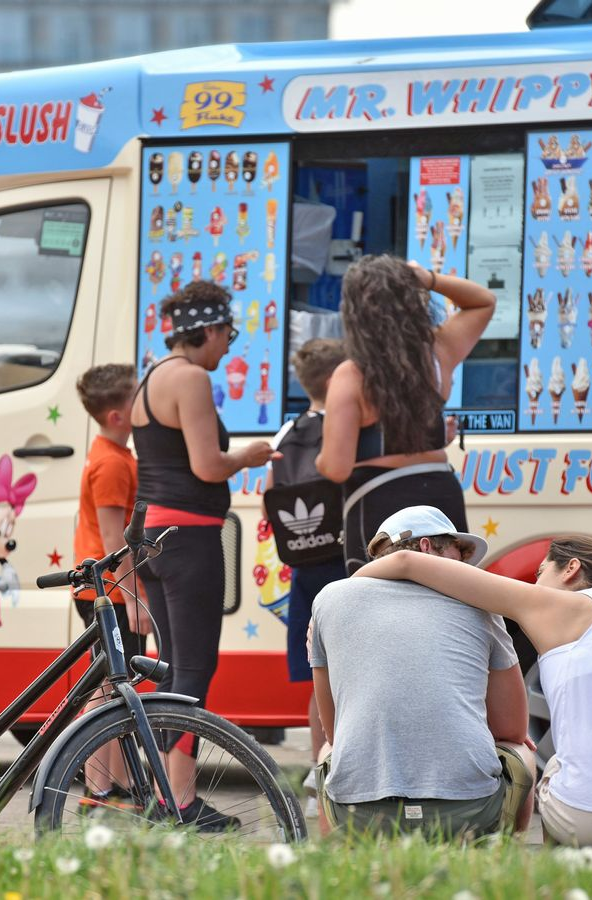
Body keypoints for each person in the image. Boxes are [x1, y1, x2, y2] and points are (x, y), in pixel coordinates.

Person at [356, 534, 592, 849]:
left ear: (571, 569)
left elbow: (406, 563)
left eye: (540, 572)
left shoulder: (543, 604)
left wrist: (347, 591)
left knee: (552, 765)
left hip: (586, 824)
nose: (535, 583)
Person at [131, 279, 278, 828]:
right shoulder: (191, 379)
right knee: (194, 669)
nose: (229, 348)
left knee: (171, 668)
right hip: (189, 537)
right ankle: (181, 801)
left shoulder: (152, 376)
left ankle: (162, 793)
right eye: (228, 335)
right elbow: (206, 466)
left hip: (151, 536)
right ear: (209, 330)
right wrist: (249, 455)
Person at [309, 505, 535, 838]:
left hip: (359, 815)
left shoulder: (328, 599)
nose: (464, 570)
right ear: (428, 547)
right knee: (522, 753)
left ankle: (343, 859)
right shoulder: (480, 604)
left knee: (328, 752)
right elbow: (513, 729)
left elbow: (333, 732)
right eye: (460, 555)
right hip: (469, 812)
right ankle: (500, 855)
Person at [316, 255, 495, 574]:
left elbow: (336, 467)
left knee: (382, 604)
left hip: (379, 498)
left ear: (356, 314)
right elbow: (483, 301)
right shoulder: (438, 353)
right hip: (440, 494)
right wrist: (428, 278)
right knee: (450, 594)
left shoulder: (352, 374)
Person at [268, 338, 348, 821]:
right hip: (344, 558)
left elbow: (270, 497)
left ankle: (320, 776)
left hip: (305, 565)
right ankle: (349, 772)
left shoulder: (286, 433)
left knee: (318, 673)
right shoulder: (345, 428)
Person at [72, 363, 150, 809]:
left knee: (123, 684)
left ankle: (116, 785)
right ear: (118, 415)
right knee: (108, 687)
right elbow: (112, 543)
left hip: (110, 590)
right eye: (137, 397)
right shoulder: (111, 465)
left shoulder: (113, 454)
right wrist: (135, 597)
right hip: (110, 593)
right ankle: (97, 786)